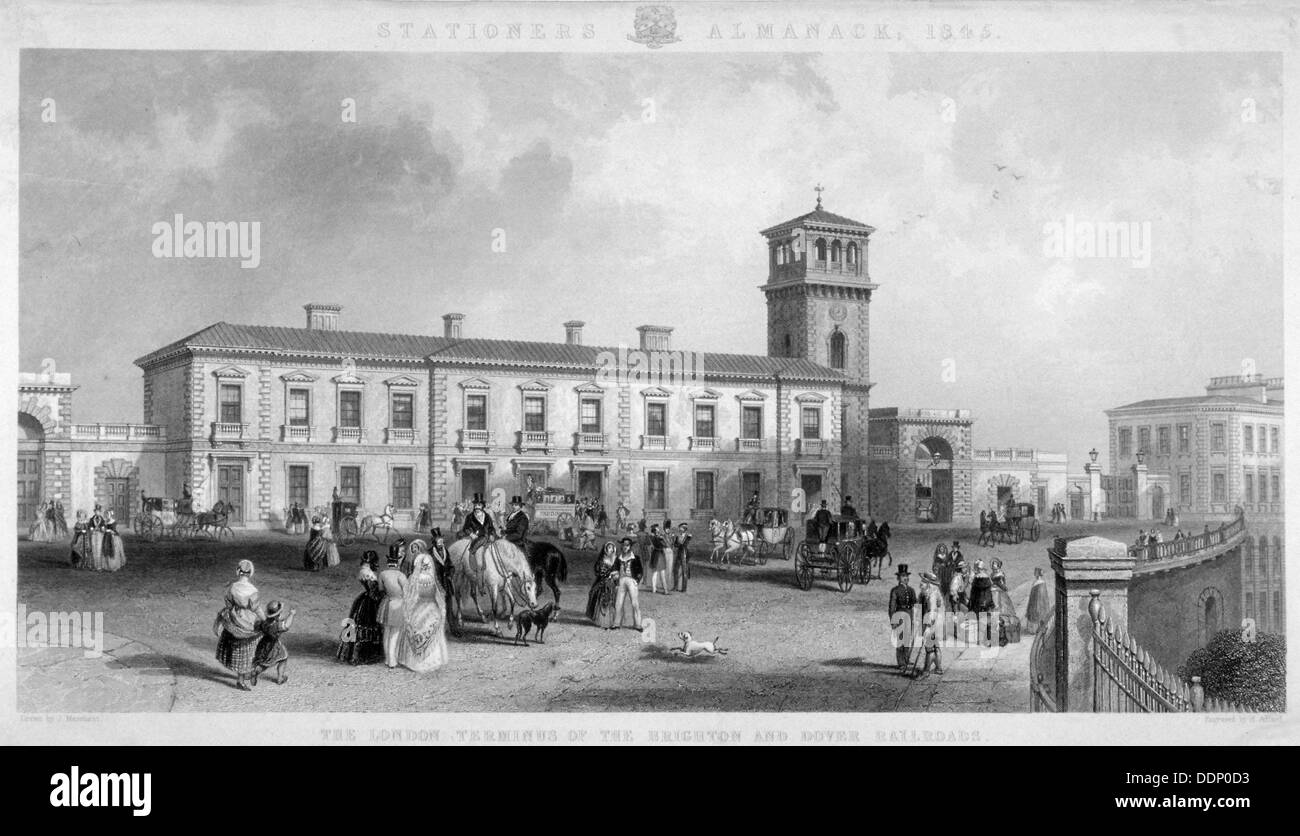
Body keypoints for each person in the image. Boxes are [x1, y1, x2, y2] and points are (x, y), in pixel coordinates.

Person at [213, 560, 265, 691]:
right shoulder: (253, 590)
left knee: (237, 647)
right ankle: (240, 680)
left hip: (234, 618)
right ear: (251, 573)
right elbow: (256, 609)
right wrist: (265, 620)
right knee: (247, 649)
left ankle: (241, 676)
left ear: (238, 571)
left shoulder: (232, 587)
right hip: (248, 621)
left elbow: (228, 605)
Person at [398, 553, 449, 673]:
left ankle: (414, 662)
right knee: (432, 625)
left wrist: (409, 610)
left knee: (414, 626)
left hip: (418, 609)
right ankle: (432, 661)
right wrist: (441, 609)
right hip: (432, 609)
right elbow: (439, 598)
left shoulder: (413, 579)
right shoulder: (432, 579)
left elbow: (409, 598)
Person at [340, 551, 384, 664]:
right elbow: (373, 593)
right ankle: (364, 655)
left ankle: (357, 653)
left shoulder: (364, 570)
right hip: (369, 602)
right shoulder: (367, 573)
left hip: (363, 600)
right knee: (368, 624)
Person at [377, 549, 409, 668]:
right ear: (397, 563)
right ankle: (392, 661)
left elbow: (381, 589)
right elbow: (407, 592)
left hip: (386, 604)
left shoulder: (382, 574)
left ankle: (387, 659)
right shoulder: (401, 575)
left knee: (386, 632)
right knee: (395, 633)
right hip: (398, 604)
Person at [252, 601, 295, 685]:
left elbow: (256, 628)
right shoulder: (276, 625)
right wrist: (292, 615)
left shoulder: (263, 622)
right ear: (277, 614)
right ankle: (280, 678)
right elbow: (286, 626)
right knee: (283, 658)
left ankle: (255, 672)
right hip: (273, 646)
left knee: (264, 662)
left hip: (263, 644)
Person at [460, 495, 497, 583]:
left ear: (482, 506)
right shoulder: (470, 517)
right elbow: (465, 528)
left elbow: (491, 528)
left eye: (479, 505)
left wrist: (492, 534)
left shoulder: (487, 516)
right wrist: (471, 534)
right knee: (479, 563)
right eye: (475, 505)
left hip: (487, 539)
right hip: (475, 540)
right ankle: (480, 582)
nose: (477, 507)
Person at [888, 565, 917, 671]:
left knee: (907, 638)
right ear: (898, 578)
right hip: (899, 615)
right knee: (900, 639)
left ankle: (906, 659)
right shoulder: (895, 590)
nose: (906, 578)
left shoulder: (911, 590)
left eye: (906, 576)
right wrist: (893, 621)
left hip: (909, 615)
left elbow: (915, 603)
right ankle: (901, 662)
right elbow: (891, 607)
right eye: (903, 576)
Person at [612, 537, 644, 631]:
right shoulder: (618, 558)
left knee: (635, 603)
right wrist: (615, 577)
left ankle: (637, 624)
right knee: (618, 603)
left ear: (630, 546)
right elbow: (614, 569)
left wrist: (636, 580)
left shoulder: (635, 558)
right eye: (623, 545)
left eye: (627, 545)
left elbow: (640, 571)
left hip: (631, 580)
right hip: (621, 581)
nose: (625, 547)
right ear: (621, 546)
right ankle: (616, 623)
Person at [586, 541, 620, 628]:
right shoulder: (601, 560)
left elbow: (619, 570)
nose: (611, 550)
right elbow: (598, 571)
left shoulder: (616, 559)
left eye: (612, 548)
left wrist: (616, 575)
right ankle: (599, 620)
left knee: (611, 599)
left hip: (612, 582)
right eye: (609, 548)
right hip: (602, 581)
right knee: (595, 594)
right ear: (605, 549)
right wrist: (607, 574)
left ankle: (610, 621)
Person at [918, 571, 945, 676]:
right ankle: (938, 668)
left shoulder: (931, 595)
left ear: (928, 584)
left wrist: (928, 626)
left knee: (929, 648)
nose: (921, 584)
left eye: (923, 582)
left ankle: (926, 670)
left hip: (931, 622)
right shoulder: (931, 592)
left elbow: (932, 611)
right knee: (936, 645)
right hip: (936, 622)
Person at [1025, 567, 1050, 634]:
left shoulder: (1039, 582)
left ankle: (1040, 628)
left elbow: (1042, 594)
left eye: (1035, 572)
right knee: (1037, 614)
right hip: (1036, 601)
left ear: (1037, 573)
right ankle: (1038, 629)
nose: (1034, 573)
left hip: (1038, 602)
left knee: (1038, 614)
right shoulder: (1039, 582)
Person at [648, 524, 671, 594]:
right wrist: (663, 538)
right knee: (661, 574)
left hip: (655, 554)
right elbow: (666, 545)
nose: (659, 531)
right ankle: (665, 590)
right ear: (655, 531)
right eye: (657, 530)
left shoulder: (652, 537)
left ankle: (654, 589)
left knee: (655, 573)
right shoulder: (658, 538)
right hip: (659, 555)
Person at [672, 523, 693, 592]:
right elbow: (675, 544)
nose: (679, 529)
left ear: (684, 529)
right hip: (679, 554)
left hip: (684, 554)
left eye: (681, 528)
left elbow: (684, 545)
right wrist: (677, 543)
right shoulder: (678, 537)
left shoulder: (688, 536)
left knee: (684, 572)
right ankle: (675, 587)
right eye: (679, 528)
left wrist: (679, 544)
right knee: (675, 570)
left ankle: (684, 589)